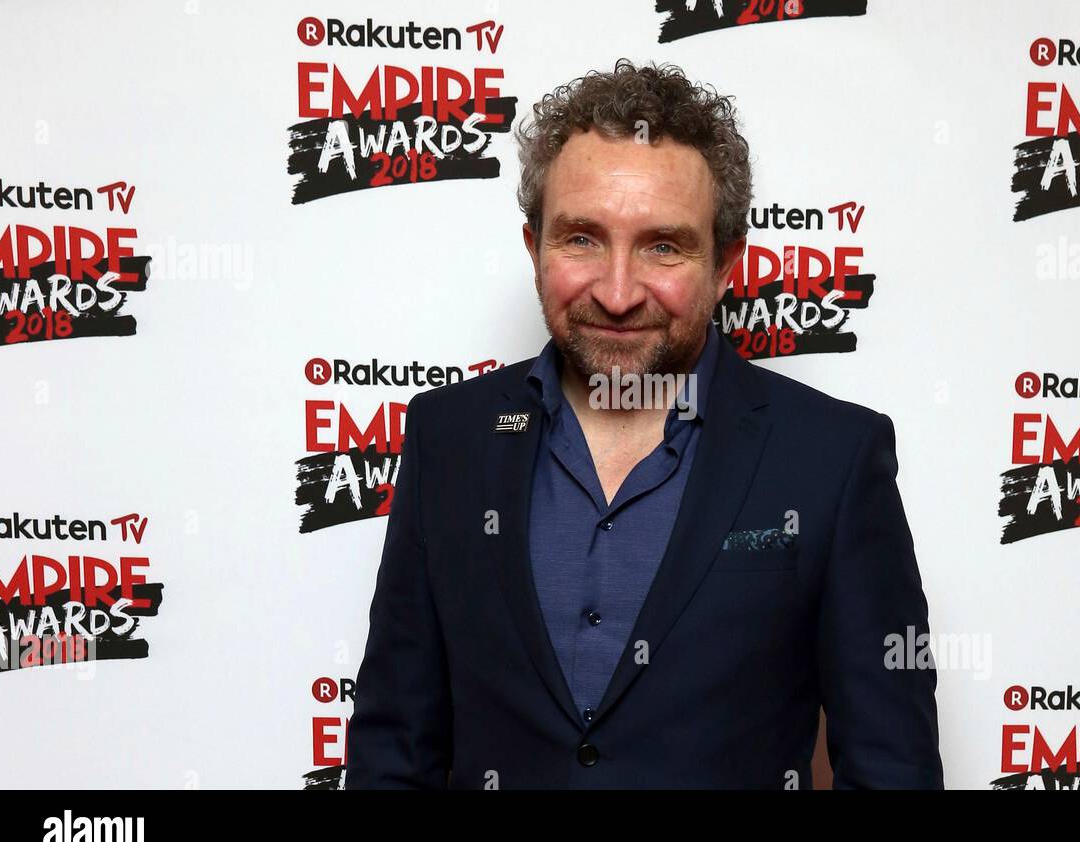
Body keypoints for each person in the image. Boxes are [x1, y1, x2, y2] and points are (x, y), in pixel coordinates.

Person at [345, 58, 943, 789]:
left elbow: (893, 770)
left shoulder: (832, 458)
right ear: (534, 248)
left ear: (726, 265)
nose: (619, 292)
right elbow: (392, 753)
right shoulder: (448, 438)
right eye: (582, 239)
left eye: (663, 245)